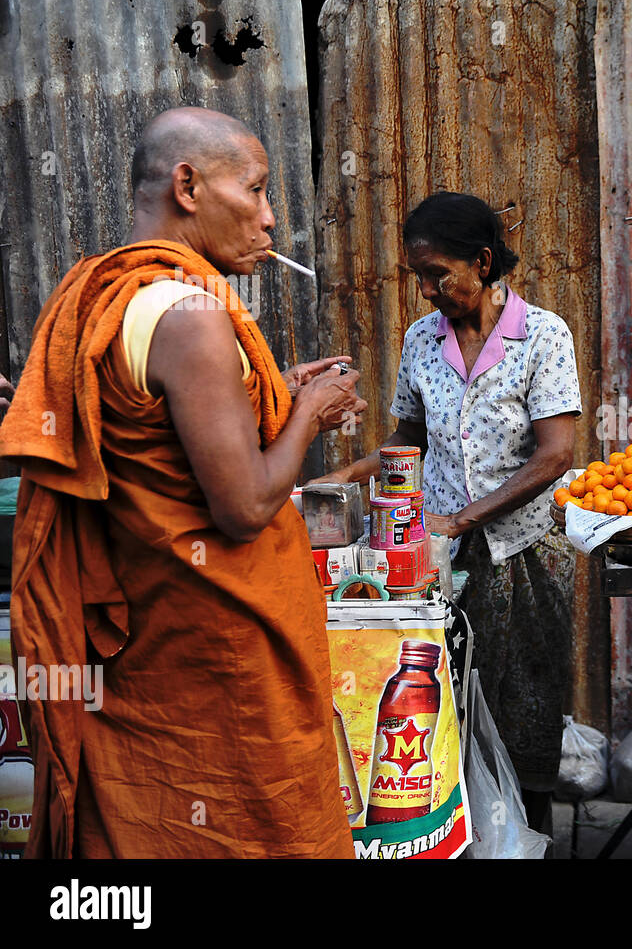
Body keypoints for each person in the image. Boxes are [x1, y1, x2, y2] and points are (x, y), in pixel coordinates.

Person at [0, 107, 366, 858]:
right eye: (257, 191)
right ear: (189, 185)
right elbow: (243, 505)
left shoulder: (110, 297)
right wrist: (310, 414)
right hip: (218, 649)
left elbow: (176, 437)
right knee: (247, 830)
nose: (269, 220)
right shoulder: (194, 314)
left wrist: (279, 399)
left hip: (147, 636)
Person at [317, 192, 580, 834]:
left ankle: (530, 841)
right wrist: (341, 478)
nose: (429, 290)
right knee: (444, 700)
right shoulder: (420, 340)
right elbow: (408, 440)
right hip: (436, 560)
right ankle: (457, 835)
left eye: (440, 275)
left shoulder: (542, 334)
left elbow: (553, 457)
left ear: (483, 263)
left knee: (526, 710)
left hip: (524, 553)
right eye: (420, 277)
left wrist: (461, 519)